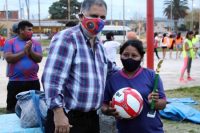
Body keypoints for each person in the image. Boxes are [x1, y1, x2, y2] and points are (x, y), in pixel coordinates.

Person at [42, 0, 117, 133]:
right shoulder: (67, 39)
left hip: (92, 118)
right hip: (67, 118)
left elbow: (111, 71)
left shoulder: (99, 46)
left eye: (103, 17)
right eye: (94, 16)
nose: (99, 20)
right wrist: (58, 113)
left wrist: (139, 74)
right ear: (81, 16)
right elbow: (52, 79)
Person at [101, 40, 166, 133]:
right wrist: (108, 110)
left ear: (141, 57)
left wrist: (154, 103)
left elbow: (163, 103)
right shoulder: (112, 79)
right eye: (126, 55)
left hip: (152, 130)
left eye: (134, 55)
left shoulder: (152, 76)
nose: (129, 58)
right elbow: (104, 104)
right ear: (120, 56)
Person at [3, 20, 43, 113]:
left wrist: (30, 51)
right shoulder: (10, 42)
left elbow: (39, 59)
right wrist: (24, 52)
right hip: (16, 82)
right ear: (21, 30)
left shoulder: (35, 43)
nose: (32, 32)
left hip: (33, 81)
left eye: (32, 29)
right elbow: (9, 58)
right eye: (29, 30)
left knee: (34, 109)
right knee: (12, 109)